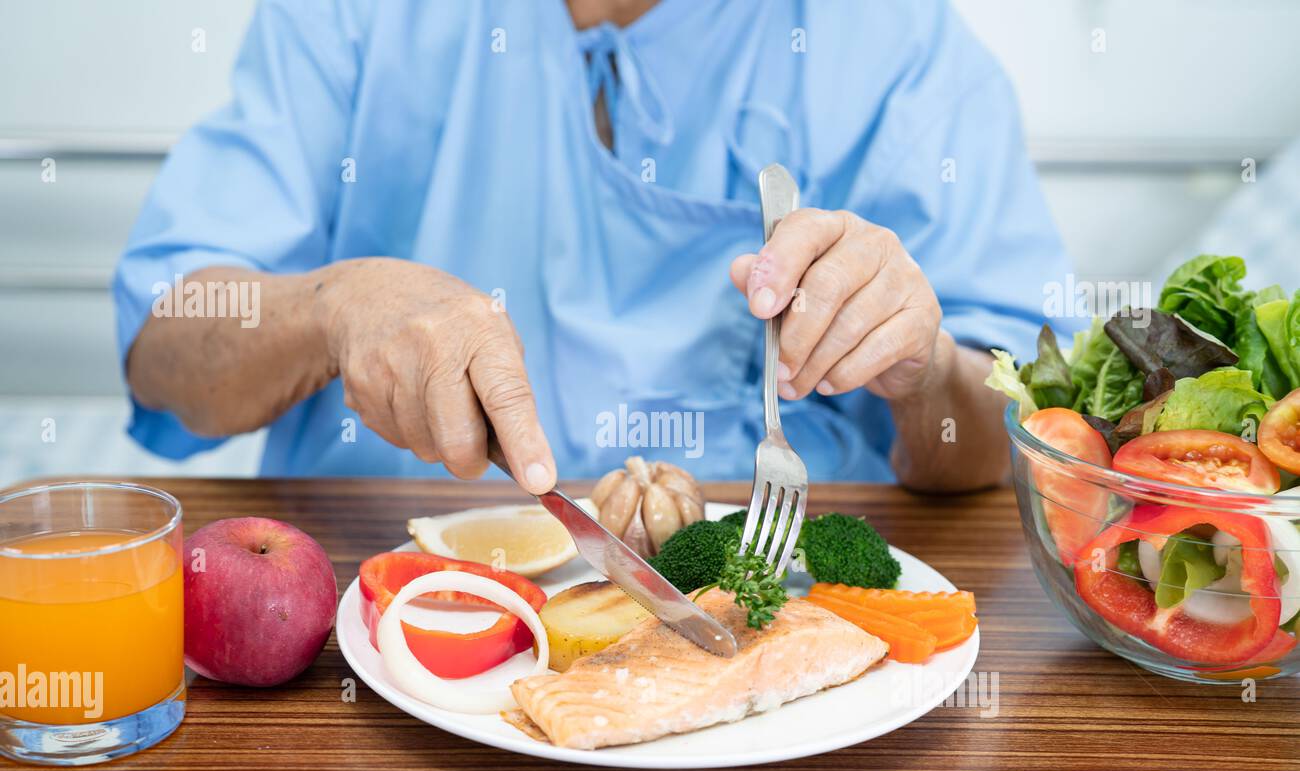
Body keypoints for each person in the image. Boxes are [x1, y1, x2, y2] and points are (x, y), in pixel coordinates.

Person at [115, 0, 1073, 495]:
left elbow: (1026, 445)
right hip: (382, 638)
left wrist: (924, 369)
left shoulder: (895, 44)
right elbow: (166, 347)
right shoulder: (354, 18)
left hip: (784, 647)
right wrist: (329, 307)